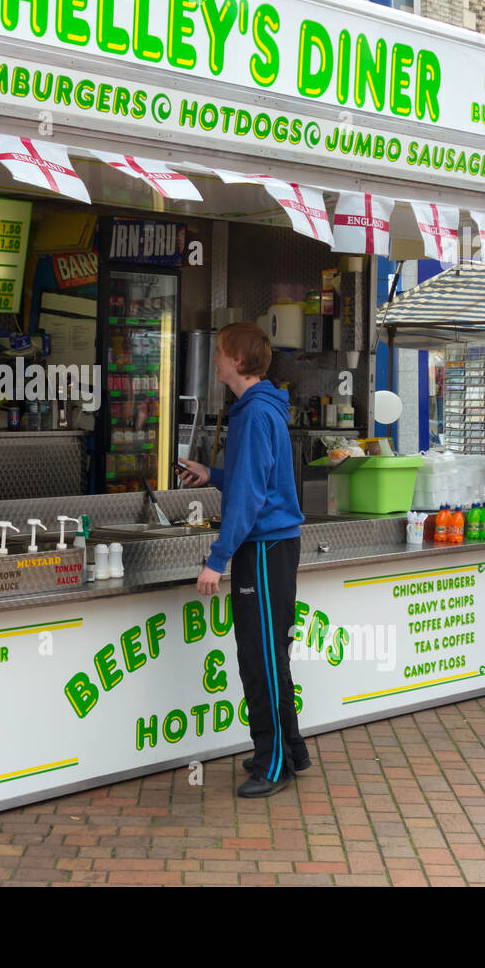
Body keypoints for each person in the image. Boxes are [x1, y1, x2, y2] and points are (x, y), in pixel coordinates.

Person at [178, 323, 307, 798]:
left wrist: (217, 559)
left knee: (260, 659)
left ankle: (272, 765)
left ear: (236, 359)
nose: (214, 361)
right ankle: (289, 750)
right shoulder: (260, 408)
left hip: (264, 548)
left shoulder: (253, 415)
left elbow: (250, 498)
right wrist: (213, 473)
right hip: (272, 546)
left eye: (218, 353)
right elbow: (255, 479)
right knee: (270, 656)